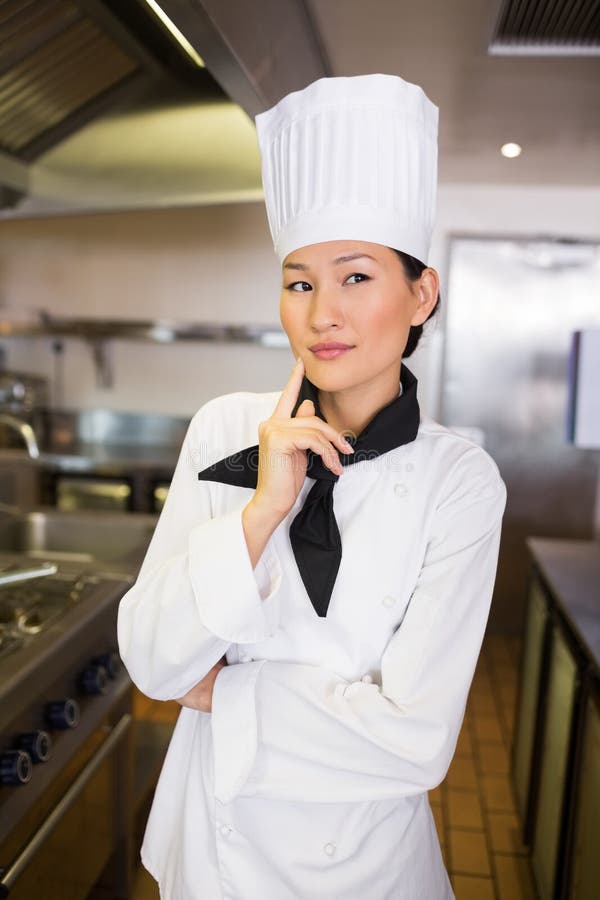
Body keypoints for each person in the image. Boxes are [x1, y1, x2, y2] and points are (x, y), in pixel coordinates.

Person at [118, 74, 507, 900]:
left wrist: (226, 693)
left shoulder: (459, 483)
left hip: (367, 870)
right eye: (300, 282)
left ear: (422, 294)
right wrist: (262, 511)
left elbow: (417, 743)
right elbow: (153, 663)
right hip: (210, 862)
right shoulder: (226, 429)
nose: (322, 312)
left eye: (355, 277)